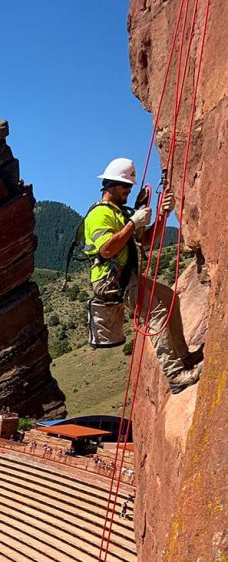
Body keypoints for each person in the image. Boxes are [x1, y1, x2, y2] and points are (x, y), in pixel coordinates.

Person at [83, 158, 203, 393]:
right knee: (155, 313)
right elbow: (107, 249)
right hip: (111, 280)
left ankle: (183, 356)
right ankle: (176, 375)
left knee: (168, 298)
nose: (129, 190)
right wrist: (131, 223)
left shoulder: (120, 213)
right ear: (112, 186)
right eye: (126, 186)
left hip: (124, 275)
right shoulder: (100, 215)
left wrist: (162, 216)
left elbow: (145, 241)